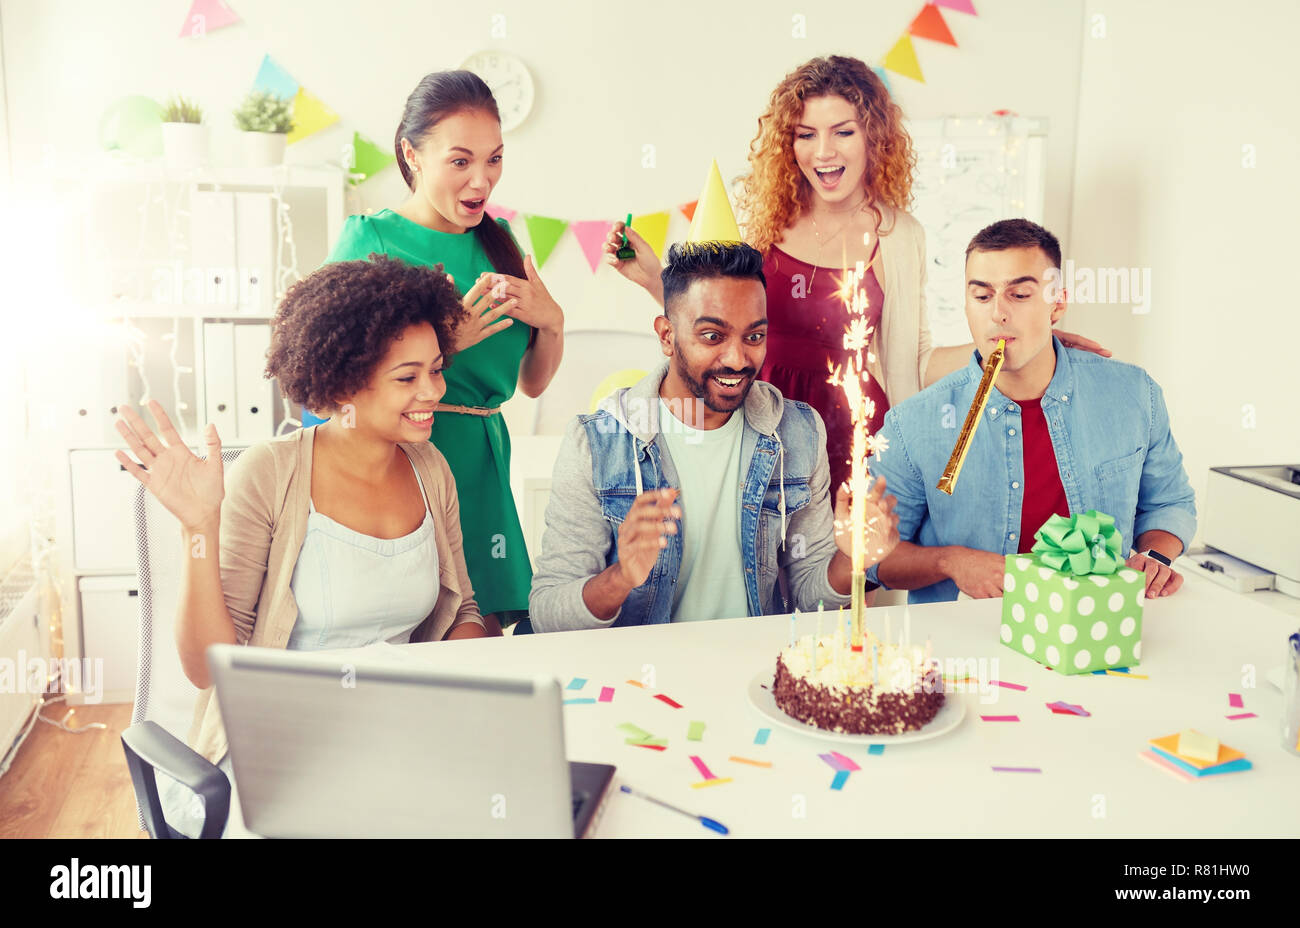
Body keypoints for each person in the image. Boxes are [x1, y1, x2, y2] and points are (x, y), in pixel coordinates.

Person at [604, 55, 1108, 498]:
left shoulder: (900, 235)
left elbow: (916, 359)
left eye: (843, 131)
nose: (823, 152)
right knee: (758, 575)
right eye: (806, 134)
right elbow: (705, 318)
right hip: (752, 414)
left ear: (873, 137)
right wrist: (654, 279)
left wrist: (1015, 341)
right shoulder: (753, 217)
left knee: (846, 584)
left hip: (853, 431)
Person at [115, 257, 487, 835]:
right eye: (407, 377)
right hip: (283, 746)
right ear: (342, 385)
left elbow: (462, 610)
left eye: (436, 371)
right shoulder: (270, 473)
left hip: (395, 733)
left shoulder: (430, 468)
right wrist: (198, 528)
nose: (432, 392)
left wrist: (455, 686)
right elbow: (211, 668)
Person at [529, 241, 899, 631]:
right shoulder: (596, 443)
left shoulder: (798, 431)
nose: (737, 359)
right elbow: (547, 614)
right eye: (712, 336)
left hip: (754, 670)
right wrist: (620, 578)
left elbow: (811, 596)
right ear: (667, 336)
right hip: (639, 678)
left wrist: (852, 561)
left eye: (754, 337)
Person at [326, 70, 564, 633]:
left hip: (483, 462)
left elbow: (531, 383)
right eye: (460, 161)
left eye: (494, 159)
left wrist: (552, 324)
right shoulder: (371, 240)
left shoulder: (500, 243)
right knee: (410, 630)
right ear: (412, 155)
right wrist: (442, 346)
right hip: (402, 459)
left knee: (478, 642)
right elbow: (326, 377)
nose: (482, 180)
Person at [865, 219, 1196, 604]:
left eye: (1020, 295)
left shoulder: (1135, 395)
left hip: (1095, 634)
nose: (998, 314)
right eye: (982, 296)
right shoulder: (912, 425)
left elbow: (1169, 503)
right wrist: (950, 562)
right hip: (967, 647)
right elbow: (876, 558)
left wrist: (1154, 557)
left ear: (1058, 303)